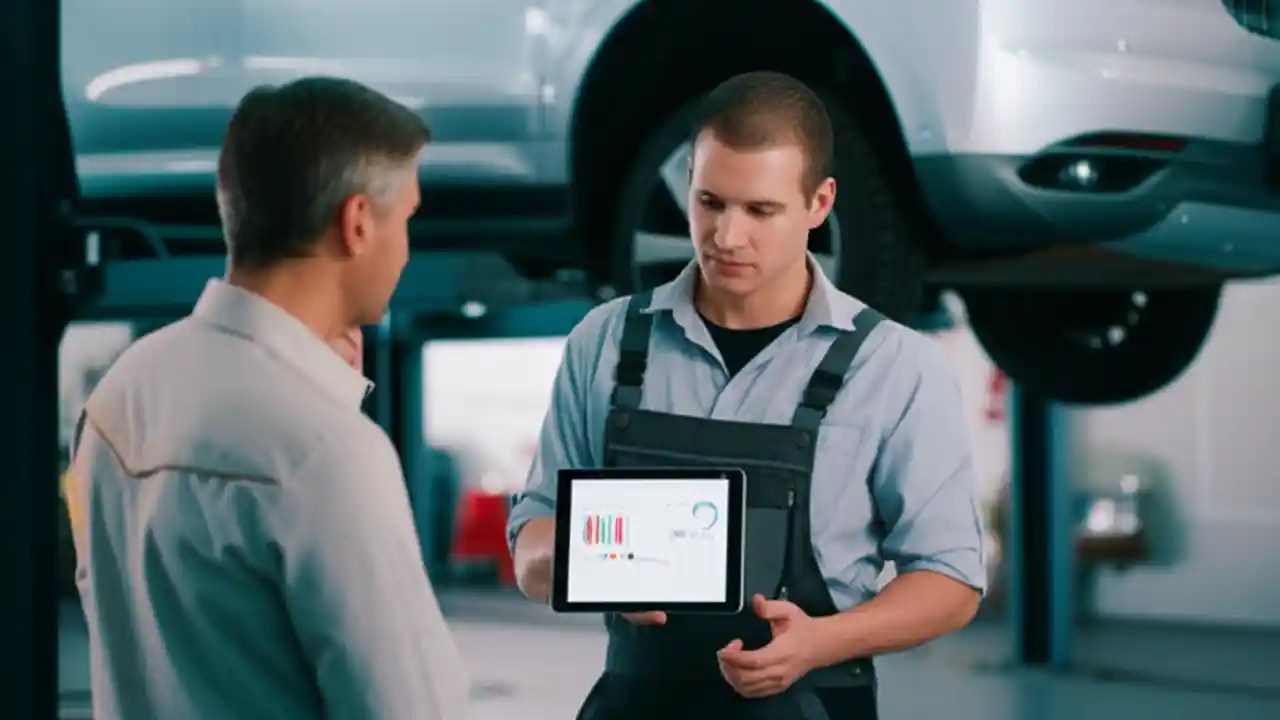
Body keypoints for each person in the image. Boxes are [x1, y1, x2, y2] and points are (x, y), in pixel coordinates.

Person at [507, 71, 985, 719]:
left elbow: (951, 581)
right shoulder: (606, 342)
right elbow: (532, 540)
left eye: (761, 210)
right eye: (709, 202)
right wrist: (585, 568)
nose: (727, 237)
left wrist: (822, 641)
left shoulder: (895, 368)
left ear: (820, 204)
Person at [66, 76, 469, 720]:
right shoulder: (326, 451)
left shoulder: (122, 390)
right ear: (358, 222)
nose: (407, 248)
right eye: (408, 218)